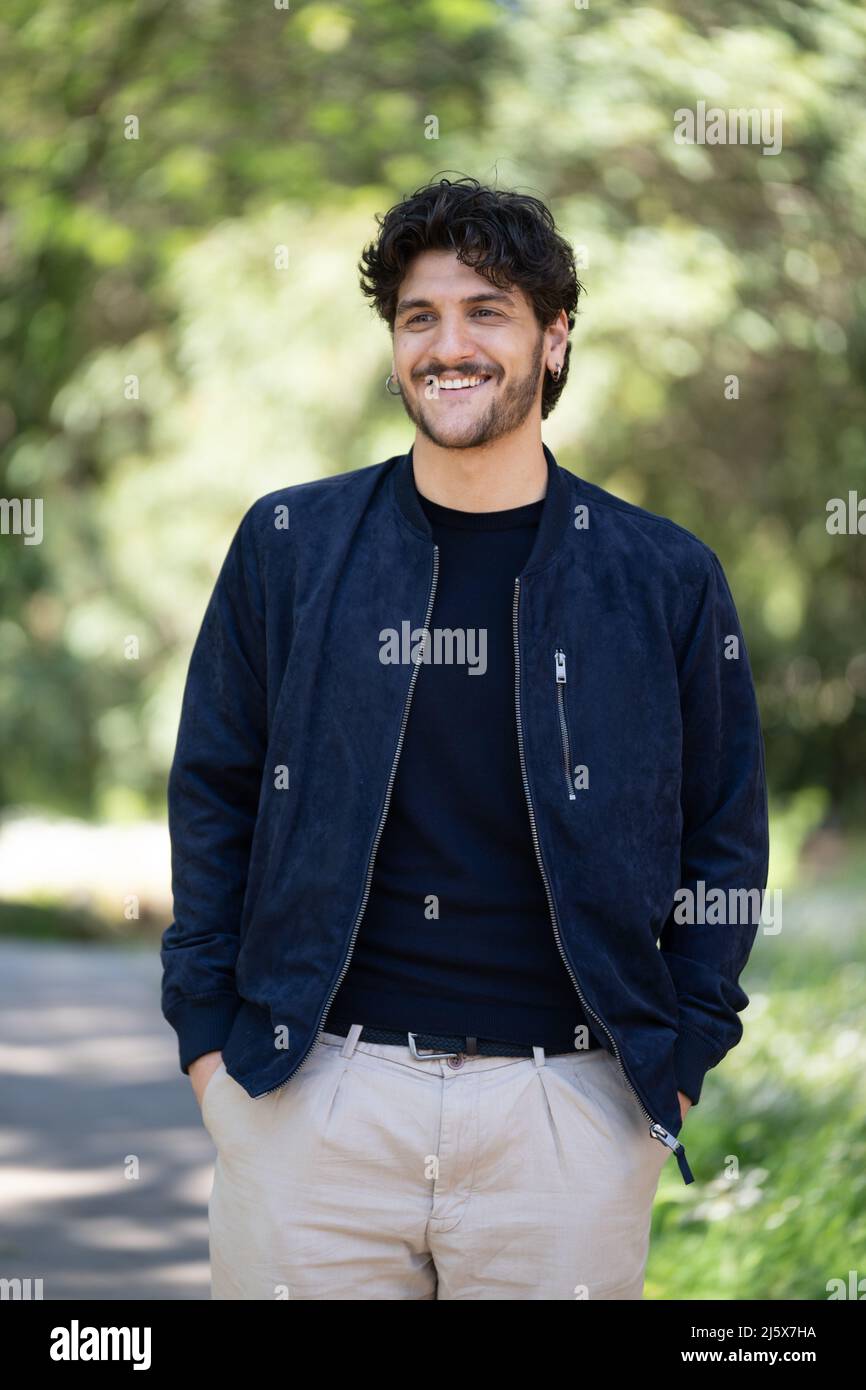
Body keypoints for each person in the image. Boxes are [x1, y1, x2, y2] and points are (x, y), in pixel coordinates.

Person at [161, 175, 769, 1300]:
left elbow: (722, 836)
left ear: (552, 339)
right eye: (417, 317)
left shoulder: (660, 575)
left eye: (485, 310)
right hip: (315, 1103)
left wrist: (673, 1069)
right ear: (394, 346)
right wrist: (213, 1056)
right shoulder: (290, 547)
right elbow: (215, 793)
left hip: (566, 1118)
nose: (448, 344)